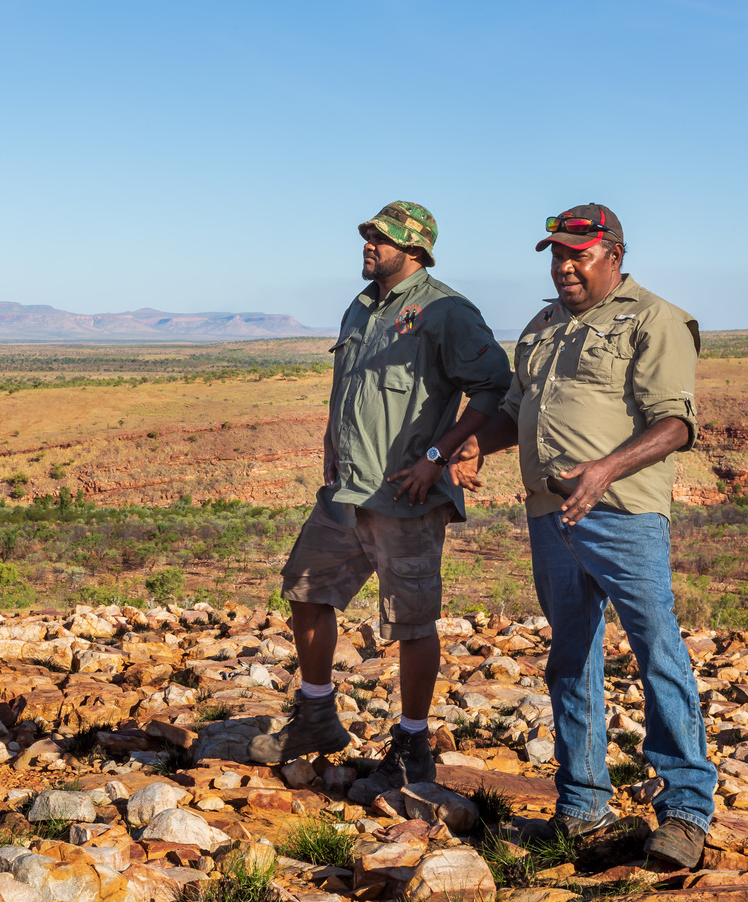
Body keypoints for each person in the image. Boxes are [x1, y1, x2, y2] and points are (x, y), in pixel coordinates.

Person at [458, 203, 717, 868]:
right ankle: (581, 809)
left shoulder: (655, 319)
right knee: (570, 657)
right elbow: (516, 412)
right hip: (550, 513)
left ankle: (685, 811)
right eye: (557, 255)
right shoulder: (542, 327)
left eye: (578, 254)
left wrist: (604, 470)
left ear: (614, 257)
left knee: (658, 648)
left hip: (622, 511)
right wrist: (470, 447)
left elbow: (676, 424)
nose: (564, 266)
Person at [248, 201, 511, 791]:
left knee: (411, 624)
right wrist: (330, 446)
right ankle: (317, 715)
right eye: (367, 234)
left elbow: (494, 387)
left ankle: (413, 743)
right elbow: (351, 389)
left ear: (414, 249)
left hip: (406, 494)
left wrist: (441, 456)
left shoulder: (445, 311)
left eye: (381, 237)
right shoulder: (361, 307)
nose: (369, 244)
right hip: (347, 490)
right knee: (306, 590)